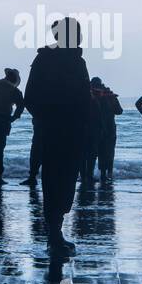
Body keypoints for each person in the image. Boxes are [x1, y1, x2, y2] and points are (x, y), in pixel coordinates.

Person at [24, 17, 91, 255]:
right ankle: (54, 235)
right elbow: (30, 97)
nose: (81, 37)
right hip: (55, 130)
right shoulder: (46, 59)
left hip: (73, 131)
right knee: (55, 182)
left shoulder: (77, 61)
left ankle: (56, 233)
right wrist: (49, 120)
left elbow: (84, 98)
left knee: (65, 183)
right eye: (77, 33)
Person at [90, 77, 123, 184]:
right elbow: (119, 111)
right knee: (108, 153)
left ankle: (88, 176)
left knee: (92, 153)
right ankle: (106, 175)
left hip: (94, 129)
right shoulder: (110, 96)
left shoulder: (89, 95)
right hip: (110, 129)